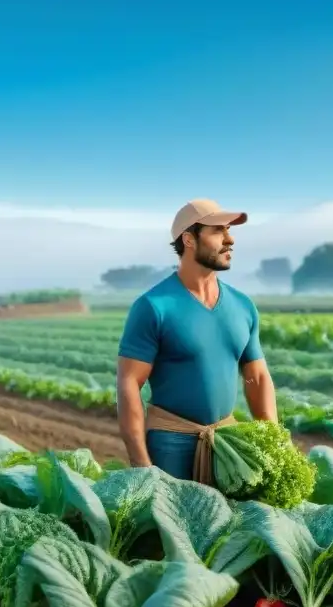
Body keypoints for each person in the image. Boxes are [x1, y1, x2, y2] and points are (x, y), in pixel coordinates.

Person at [115, 198, 278, 485]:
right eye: (218, 231)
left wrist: (274, 442)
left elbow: (257, 377)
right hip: (170, 444)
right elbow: (129, 384)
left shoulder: (242, 305)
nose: (230, 239)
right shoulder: (154, 306)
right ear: (189, 239)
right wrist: (141, 462)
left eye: (229, 230)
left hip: (228, 444)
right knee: (174, 529)